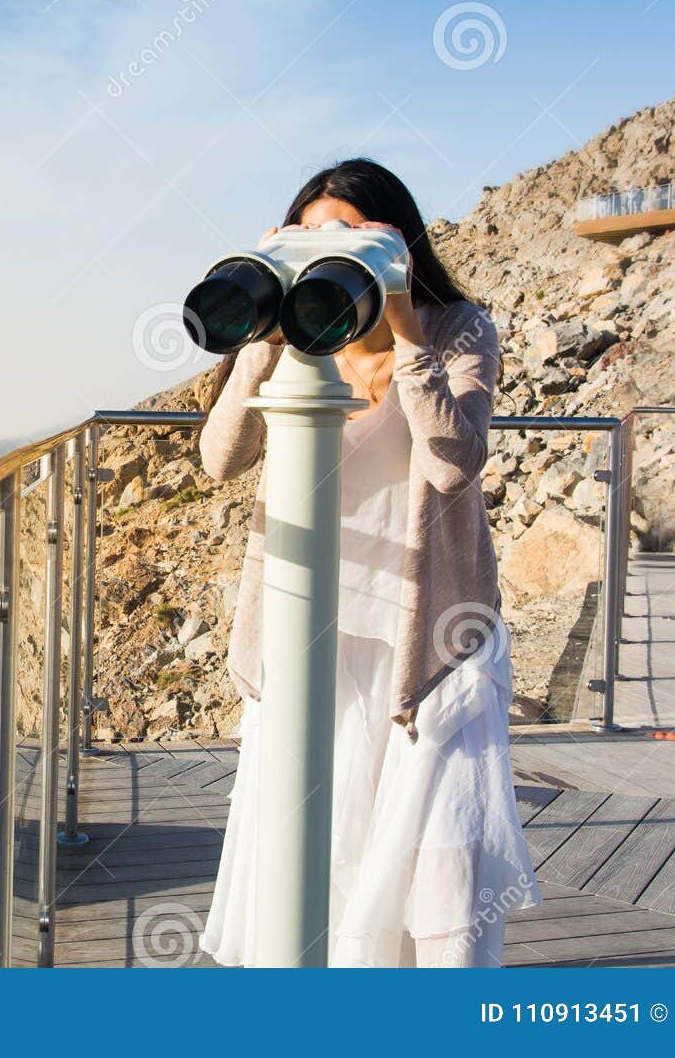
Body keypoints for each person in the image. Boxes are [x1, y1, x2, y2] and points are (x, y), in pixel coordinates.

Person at [196, 158, 539, 968]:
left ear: (395, 240)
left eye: (347, 233)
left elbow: (455, 461)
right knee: (318, 869)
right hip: (315, 638)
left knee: (437, 872)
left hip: (429, 647)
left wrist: (406, 328)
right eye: (309, 236)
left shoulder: (458, 330)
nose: (327, 250)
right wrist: (258, 342)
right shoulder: (295, 344)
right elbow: (219, 459)